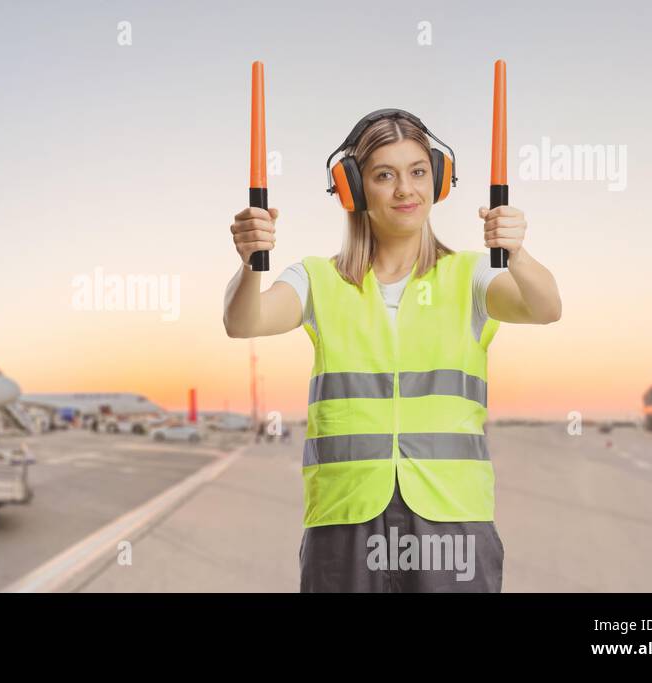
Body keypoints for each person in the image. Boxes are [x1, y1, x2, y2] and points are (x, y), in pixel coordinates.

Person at [223, 109, 561, 592]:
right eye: (385, 175)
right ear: (354, 190)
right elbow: (244, 321)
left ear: (439, 182)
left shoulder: (470, 276)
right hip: (344, 520)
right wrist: (249, 265)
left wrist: (519, 253)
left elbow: (545, 306)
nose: (406, 190)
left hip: (453, 518)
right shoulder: (316, 278)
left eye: (418, 172)